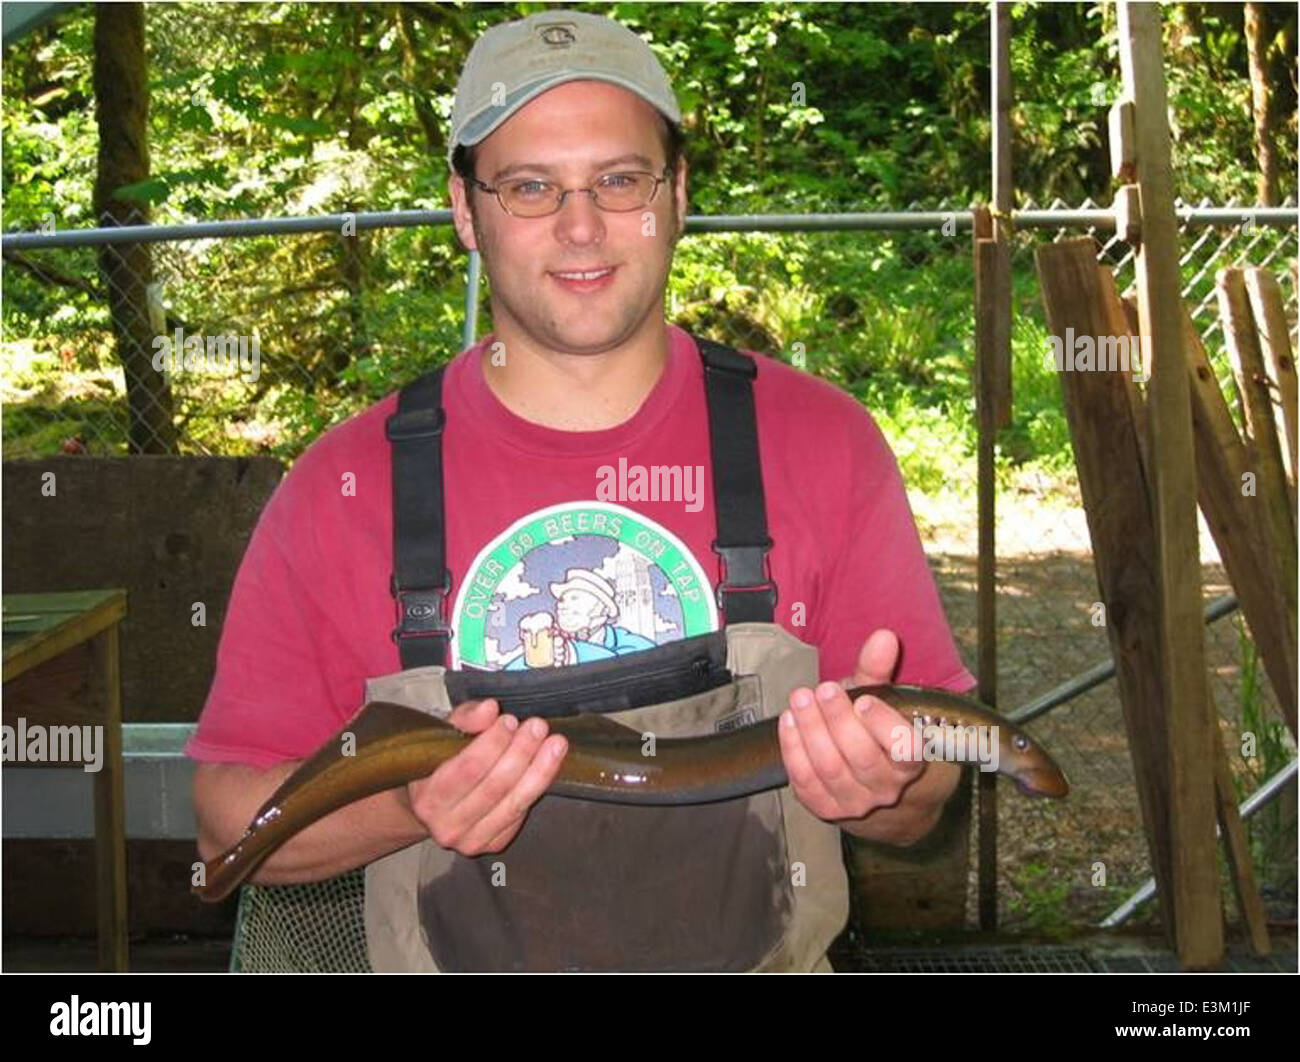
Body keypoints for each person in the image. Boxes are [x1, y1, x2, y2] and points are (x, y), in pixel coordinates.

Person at [189, 9, 975, 972]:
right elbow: (228, 827)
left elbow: (929, 781)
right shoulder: (345, 486)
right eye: (529, 187)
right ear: (464, 210)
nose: (580, 224)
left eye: (618, 178)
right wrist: (404, 803)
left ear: (677, 193)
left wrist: (888, 782)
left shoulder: (824, 443)